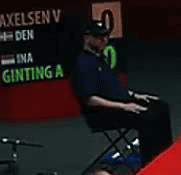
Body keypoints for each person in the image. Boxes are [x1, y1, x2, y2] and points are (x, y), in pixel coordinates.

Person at [70, 21, 173, 161]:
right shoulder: (83, 64)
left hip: (119, 103)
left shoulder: (100, 58)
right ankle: (150, 161)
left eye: (105, 36)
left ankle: (167, 154)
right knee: (147, 116)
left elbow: (112, 88)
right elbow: (90, 100)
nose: (103, 40)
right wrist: (125, 106)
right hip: (101, 114)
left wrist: (135, 96)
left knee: (161, 106)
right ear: (87, 38)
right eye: (98, 37)